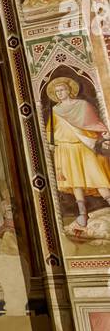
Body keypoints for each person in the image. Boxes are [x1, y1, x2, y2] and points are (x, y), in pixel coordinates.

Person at [45, 77, 110, 227]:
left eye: (61, 90)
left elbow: (95, 123)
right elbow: (50, 130)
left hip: (85, 146)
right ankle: (83, 214)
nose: (59, 93)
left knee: (97, 177)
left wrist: (104, 132)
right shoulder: (55, 110)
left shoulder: (82, 105)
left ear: (69, 90)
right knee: (75, 182)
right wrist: (50, 143)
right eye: (57, 92)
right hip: (65, 148)